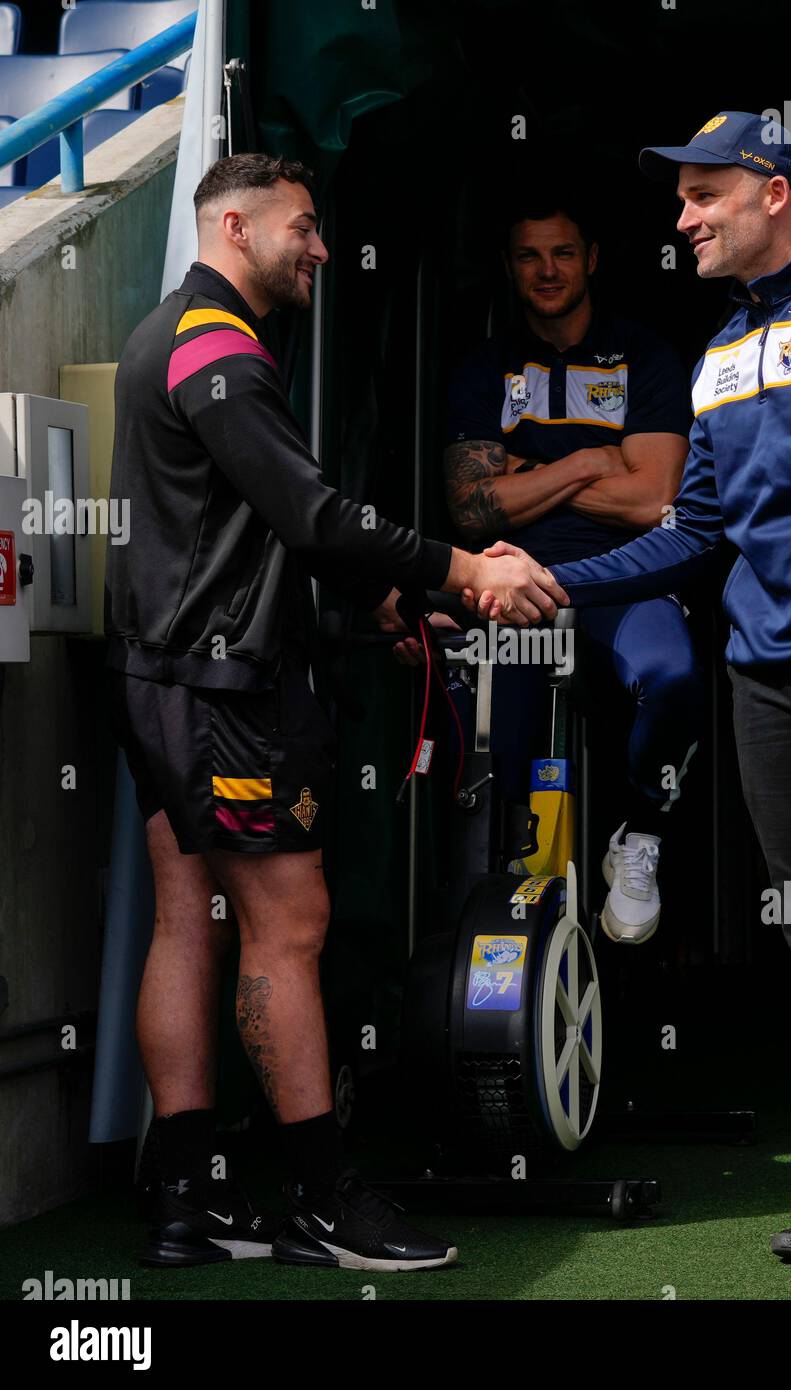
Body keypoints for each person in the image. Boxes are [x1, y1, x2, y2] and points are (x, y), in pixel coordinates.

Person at [471, 112, 791, 1279]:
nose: (683, 218)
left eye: (702, 196)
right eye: (682, 199)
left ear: (772, 192)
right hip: (763, 675)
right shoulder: (717, 353)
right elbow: (694, 532)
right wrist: (555, 576)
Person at [104, 152, 566, 1272]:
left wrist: (389, 602)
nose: (318, 249)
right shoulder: (216, 348)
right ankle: (324, 1199)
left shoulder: (182, 336)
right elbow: (309, 516)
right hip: (224, 694)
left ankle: (184, 1204)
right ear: (231, 224)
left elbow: (254, 528)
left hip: (164, 676)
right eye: (302, 229)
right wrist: (463, 570)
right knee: (288, 924)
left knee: (187, 919)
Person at [440, 191, 701, 943]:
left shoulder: (643, 354)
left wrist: (532, 476)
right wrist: (593, 460)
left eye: (561, 253)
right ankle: (507, 915)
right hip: (513, 575)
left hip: (629, 573)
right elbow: (471, 509)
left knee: (674, 678)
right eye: (528, 255)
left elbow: (656, 500)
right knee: (502, 751)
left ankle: (642, 835)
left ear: (589, 259)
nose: (545, 270)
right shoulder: (486, 365)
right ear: (509, 267)